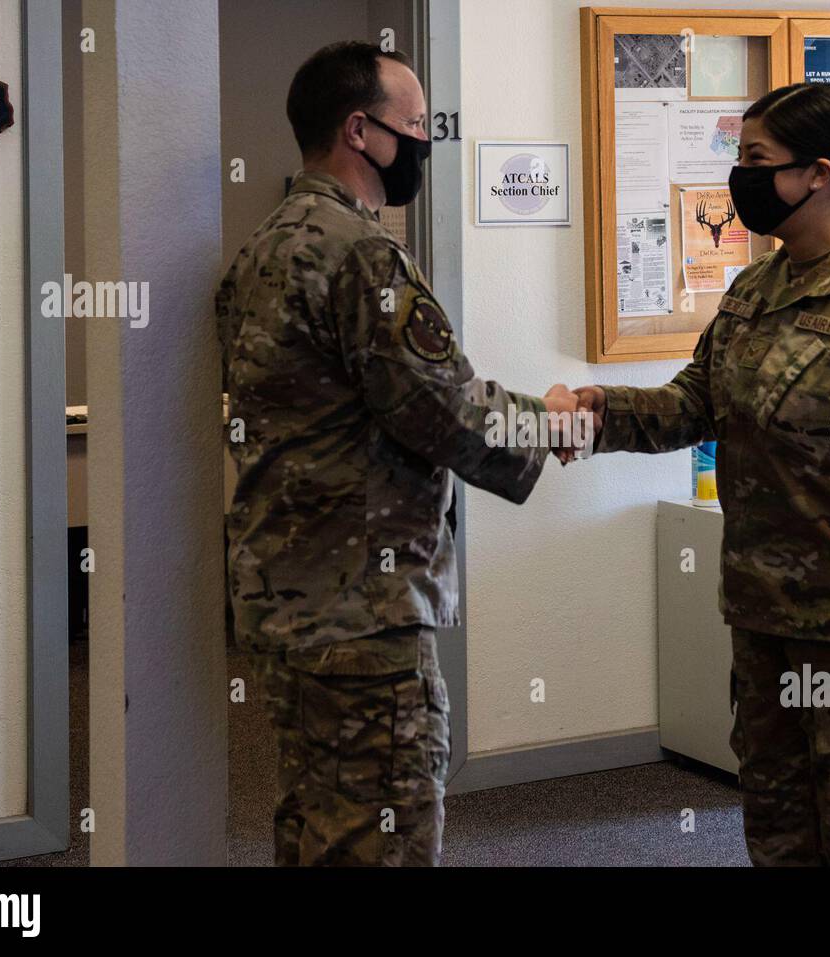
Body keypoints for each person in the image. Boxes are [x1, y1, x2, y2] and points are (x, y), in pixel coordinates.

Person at [573, 82, 830, 866]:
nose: (741, 177)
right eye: (739, 158)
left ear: (821, 172)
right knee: (779, 833)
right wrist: (597, 410)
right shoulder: (755, 290)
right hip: (764, 623)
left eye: (756, 159)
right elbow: (693, 403)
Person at [215, 40, 579, 866]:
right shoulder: (360, 254)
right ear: (359, 131)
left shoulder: (263, 247)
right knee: (381, 835)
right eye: (416, 126)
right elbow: (444, 410)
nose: (425, 141)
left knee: (316, 822)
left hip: (286, 602)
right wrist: (552, 422)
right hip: (363, 617)